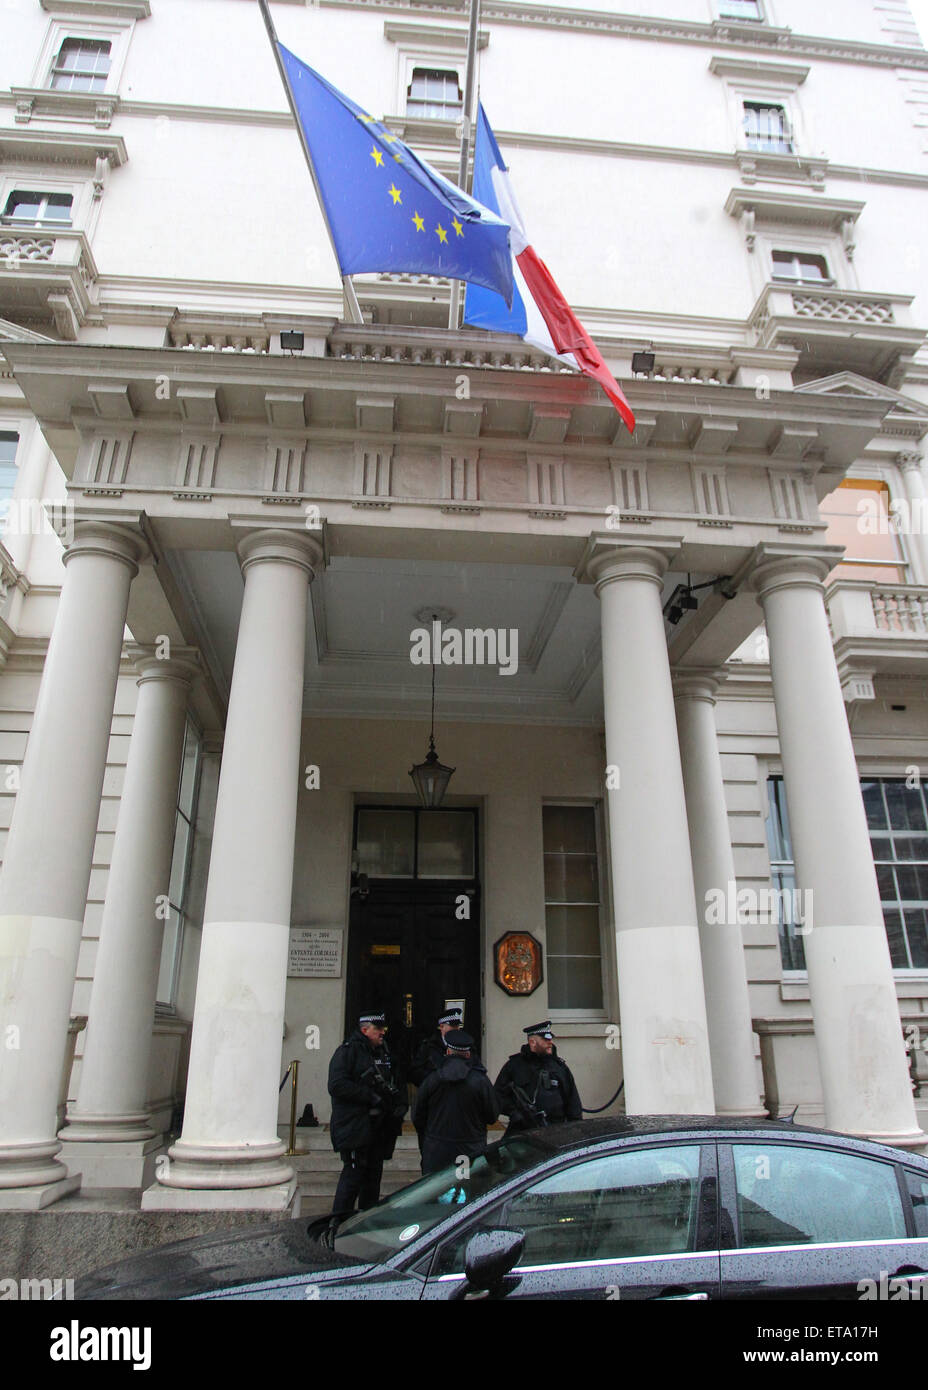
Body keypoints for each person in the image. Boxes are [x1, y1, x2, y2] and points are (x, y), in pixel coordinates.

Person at [327, 1010, 407, 1228]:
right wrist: (369, 1096)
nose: (382, 1033)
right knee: (353, 1176)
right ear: (364, 1030)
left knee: (373, 1178)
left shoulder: (383, 1052)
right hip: (355, 1127)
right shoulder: (348, 1052)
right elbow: (337, 1085)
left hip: (378, 1128)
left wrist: (397, 1105)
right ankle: (338, 1223)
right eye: (378, 1029)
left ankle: (366, 1221)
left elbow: (395, 1081)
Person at [412, 1029, 499, 1174]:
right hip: (470, 1150)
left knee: (435, 1192)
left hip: (436, 1150)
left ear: (447, 1052)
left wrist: (430, 1135)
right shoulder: (480, 1081)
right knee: (468, 1191)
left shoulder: (432, 1080)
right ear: (468, 1054)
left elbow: (417, 1116)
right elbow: (492, 1115)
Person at [494, 1020, 582, 1132]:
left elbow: (573, 1103)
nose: (550, 1042)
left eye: (550, 1039)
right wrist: (514, 1112)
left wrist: (575, 1130)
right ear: (532, 1042)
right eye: (545, 1039)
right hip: (522, 1130)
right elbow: (497, 1096)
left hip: (556, 1130)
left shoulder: (559, 1067)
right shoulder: (514, 1066)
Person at [408, 1008, 472, 1086]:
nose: (457, 1029)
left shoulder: (465, 1045)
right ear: (441, 1026)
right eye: (453, 1026)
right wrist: (434, 1079)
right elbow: (415, 1073)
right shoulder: (429, 1047)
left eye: (458, 1025)